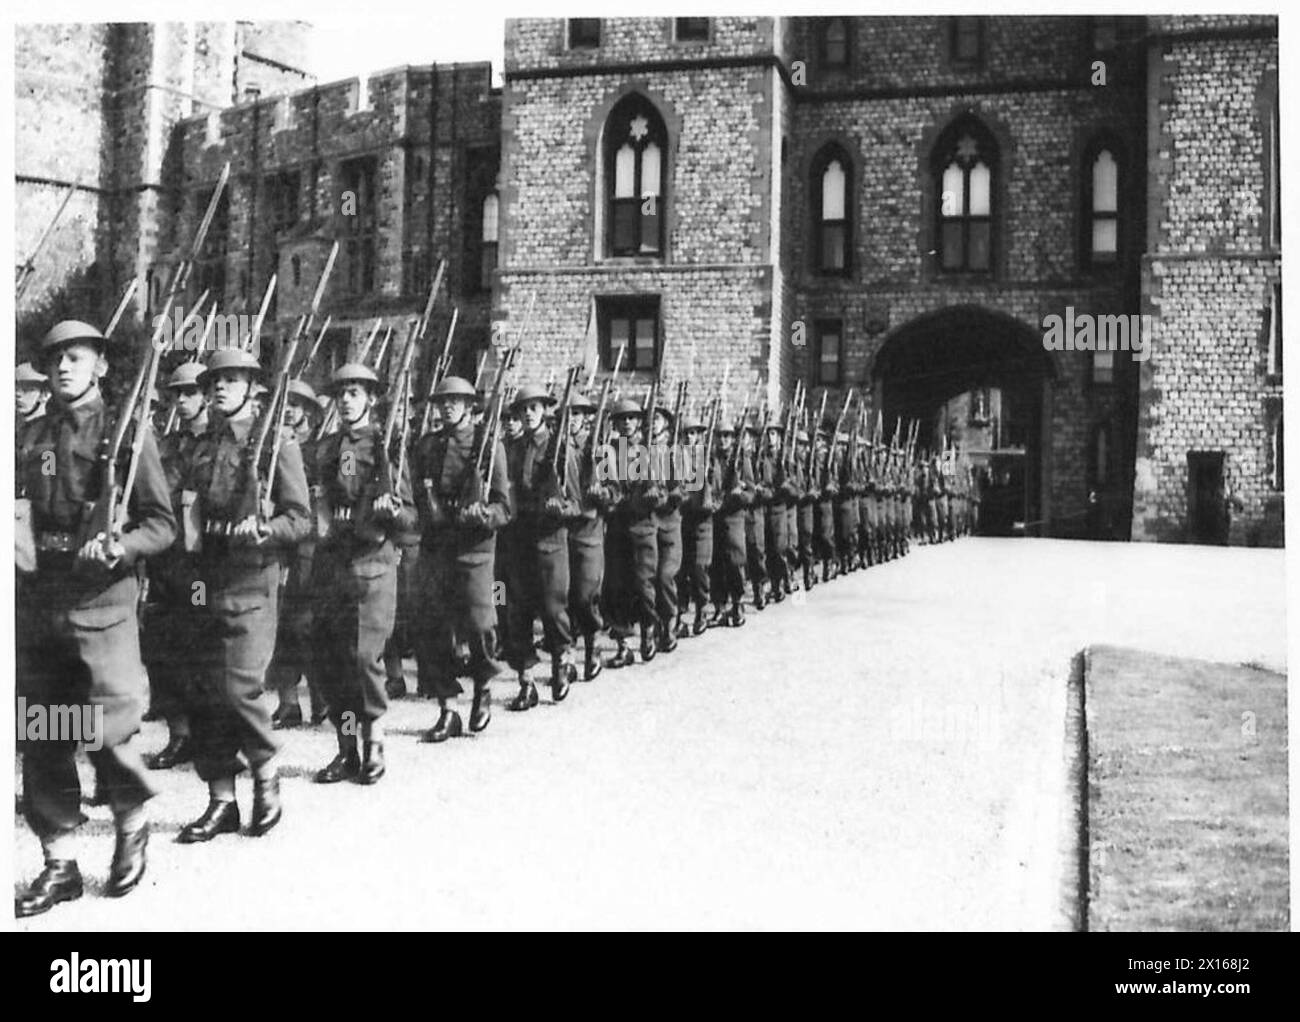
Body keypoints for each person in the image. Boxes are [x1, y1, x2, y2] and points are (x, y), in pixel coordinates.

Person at [16, 320, 176, 916]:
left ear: (100, 367)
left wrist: (121, 545)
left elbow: (161, 524)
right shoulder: (30, 436)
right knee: (47, 732)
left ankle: (130, 826)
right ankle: (59, 861)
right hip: (43, 598)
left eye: (76, 358)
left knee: (106, 730)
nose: (63, 368)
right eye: (56, 359)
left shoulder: (128, 436)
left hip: (102, 603)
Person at [178, 348, 310, 842]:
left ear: (253, 387)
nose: (219, 388)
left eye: (231, 380)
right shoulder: (202, 444)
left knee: (240, 688)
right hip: (204, 578)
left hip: (253, 579)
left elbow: (301, 518)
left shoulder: (276, 444)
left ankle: (266, 773)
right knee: (204, 691)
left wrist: (267, 529)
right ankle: (221, 801)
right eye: (214, 381)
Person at [310, 363, 416, 785]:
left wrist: (393, 511)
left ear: (371, 399)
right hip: (334, 562)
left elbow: (410, 515)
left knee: (362, 656)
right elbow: (320, 500)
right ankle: (347, 749)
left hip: (373, 563)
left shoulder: (388, 446)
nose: (347, 399)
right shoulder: (328, 448)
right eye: (342, 393)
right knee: (334, 660)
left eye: (355, 392)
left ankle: (375, 745)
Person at [414, 376, 512, 742]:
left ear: (470, 406)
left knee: (480, 623)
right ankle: (448, 709)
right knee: (434, 627)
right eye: (443, 401)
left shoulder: (488, 446)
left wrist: (484, 514)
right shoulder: (426, 446)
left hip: (475, 548)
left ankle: (483, 685)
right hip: (438, 545)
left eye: (456, 401)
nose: (448, 407)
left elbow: (505, 506)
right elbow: (415, 491)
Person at [141, 361, 208, 770]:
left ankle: (207, 734)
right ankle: (179, 733)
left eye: (190, 394)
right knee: (163, 648)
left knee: (201, 643)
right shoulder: (166, 446)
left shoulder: (219, 444)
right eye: (177, 394)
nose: (182, 401)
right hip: (168, 562)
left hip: (202, 567)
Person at [503, 383, 578, 710]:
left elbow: (577, 502)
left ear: (545, 412)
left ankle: (561, 661)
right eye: (523, 409)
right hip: (517, 541)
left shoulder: (561, 450)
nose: (529, 414)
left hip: (550, 541)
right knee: (512, 610)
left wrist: (561, 508)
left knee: (552, 607)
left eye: (535, 408)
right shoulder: (509, 450)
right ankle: (526, 682)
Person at [269, 380, 329, 728]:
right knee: (281, 625)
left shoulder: (322, 450)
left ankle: (321, 697)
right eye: (285, 403)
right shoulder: (272, 448)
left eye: (297, 404)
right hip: (280, 542)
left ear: (308, 411)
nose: (290, 409)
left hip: (313, 546)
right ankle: (288, 702)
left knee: (307, 624)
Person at [602, 398, 662, 667]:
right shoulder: (609, 452)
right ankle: (623, 644)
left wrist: (653, 494)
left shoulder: (650, 451)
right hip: (617, 527)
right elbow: (606, 486)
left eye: (631, 418)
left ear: (639, 422)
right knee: (616, 586)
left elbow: (661, 493)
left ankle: (649, 629)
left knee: (643, 583)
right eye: (621, 419)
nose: (626, 423)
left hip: (643, 527)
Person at [564, 390, 609, 679]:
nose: (571, 421)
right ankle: (566, 654)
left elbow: (615, 491)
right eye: (567, 415)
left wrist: (603, 493)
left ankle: (593, 644)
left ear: (586, 419)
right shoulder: (556, 449)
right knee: (561, 597)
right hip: (560, 532)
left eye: (577, 415)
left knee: (585, 595)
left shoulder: (601, 450)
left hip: (590, 533)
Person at [16, 360, 50, 432]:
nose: (17, 394)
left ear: (45, 395)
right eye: (15, 388)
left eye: (27, 389)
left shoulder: (47, 429)